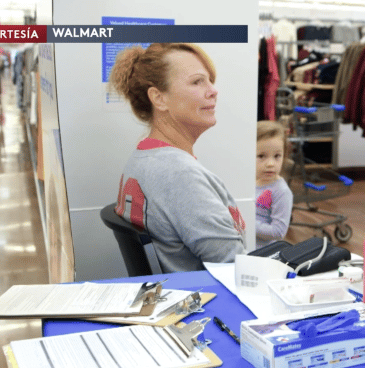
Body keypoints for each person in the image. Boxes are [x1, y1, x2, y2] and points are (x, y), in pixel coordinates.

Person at [110, 43, 246, 272]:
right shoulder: (180, 176)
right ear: (158, 98)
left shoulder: (144, 158)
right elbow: (236, 270)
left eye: (210, 80)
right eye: (197, 81)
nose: (213, 90)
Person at [255, 120, 293, 248]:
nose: (270, 163)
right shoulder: (249, 181)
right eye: (261, 156)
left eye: (277, 156)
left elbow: (278, 232)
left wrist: (246, 222)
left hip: (262, 257)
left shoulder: (281, 191)